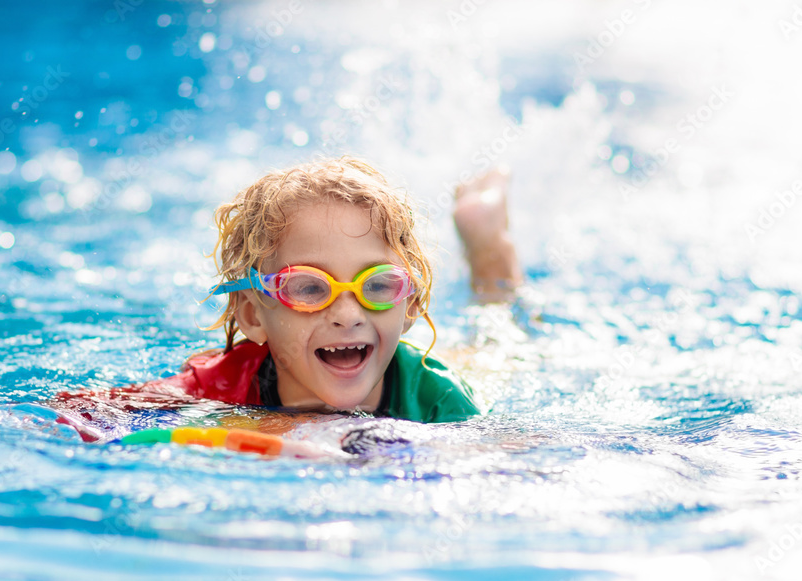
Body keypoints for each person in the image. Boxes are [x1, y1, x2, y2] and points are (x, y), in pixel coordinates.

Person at [53, 157, 521, 443]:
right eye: (310, 288)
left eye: (377, 286)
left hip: (462, 371)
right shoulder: (221, 386)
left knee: (497, 340)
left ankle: (487, 246)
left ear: (411, 304)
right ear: (255, 314)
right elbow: (71, 412)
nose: (348, 315)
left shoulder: (441, 401)